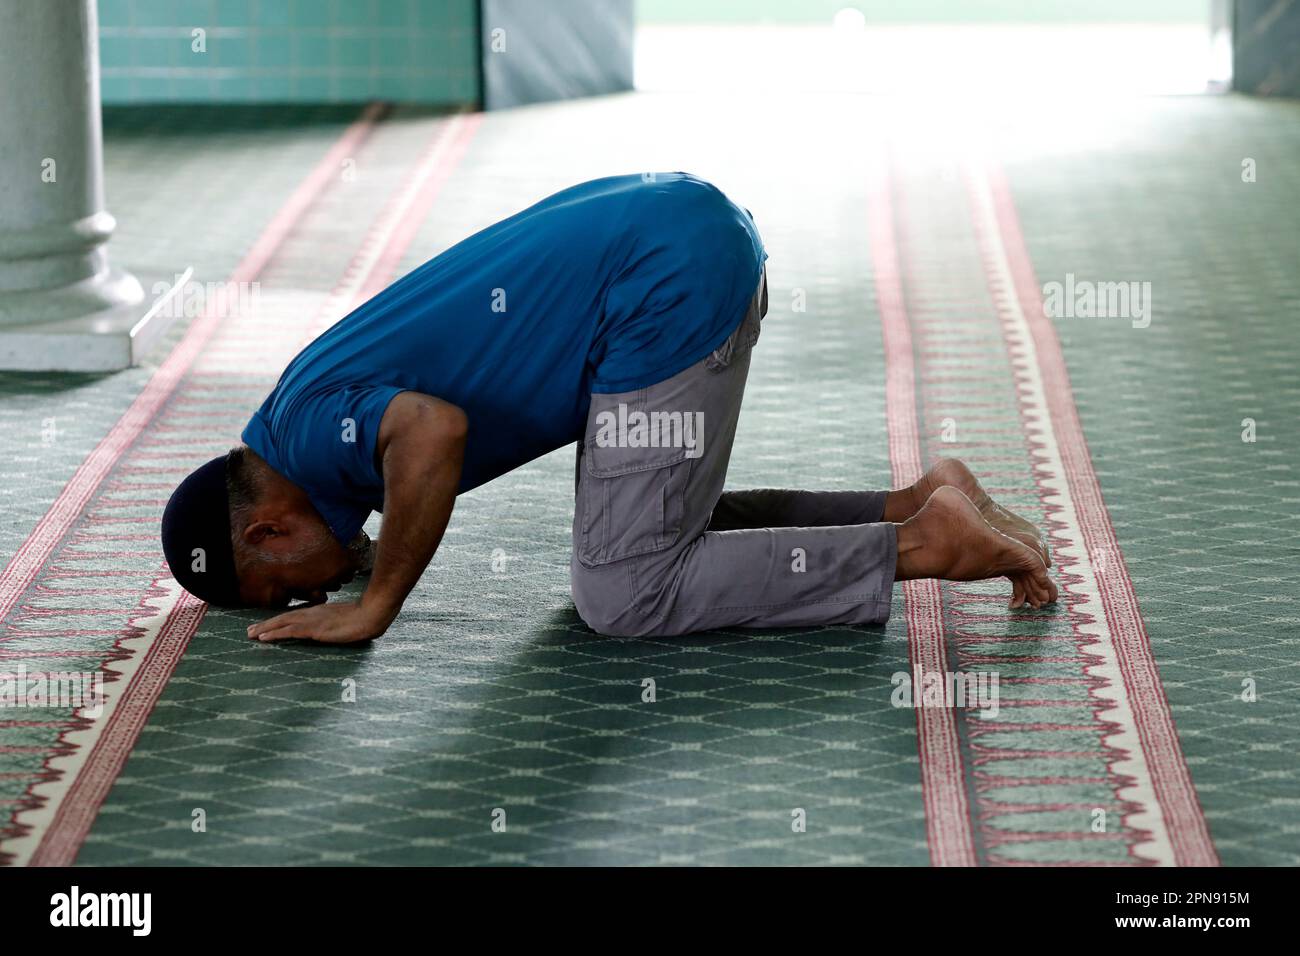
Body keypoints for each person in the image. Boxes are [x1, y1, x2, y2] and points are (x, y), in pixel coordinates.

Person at [160, 173, 1056, 644]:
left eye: (295, 585)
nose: (320, 589)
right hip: (675, 252)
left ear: (269, 531)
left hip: (661, 290)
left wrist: (376, 605)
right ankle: (915, 503)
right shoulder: (297, 425)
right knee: (650, 534)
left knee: (624, 591)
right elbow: (397, 461)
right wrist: (362, 564)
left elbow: (434, 431)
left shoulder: (313, 429)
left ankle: (920, 546)